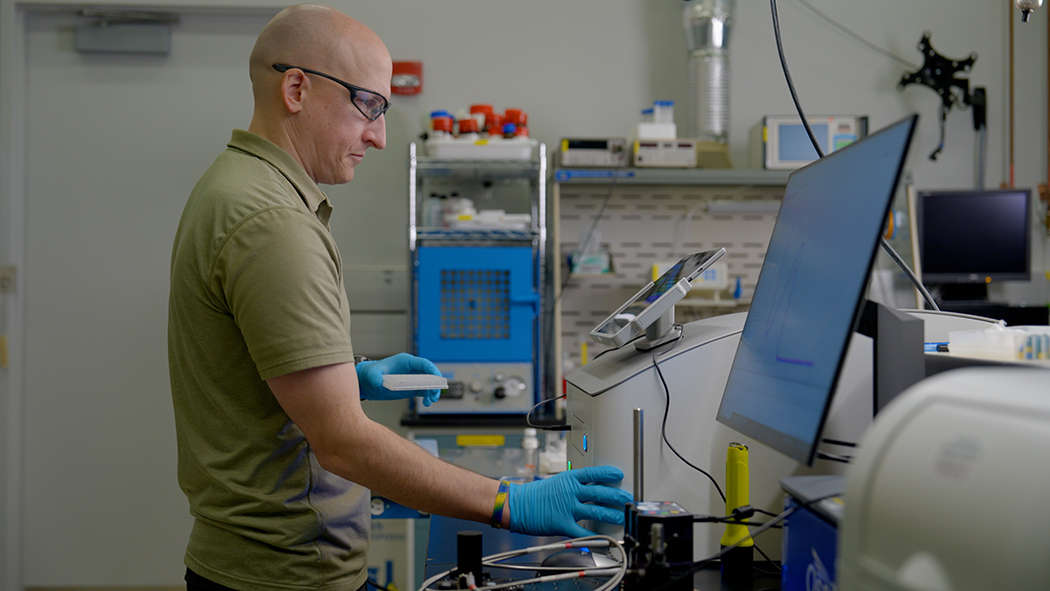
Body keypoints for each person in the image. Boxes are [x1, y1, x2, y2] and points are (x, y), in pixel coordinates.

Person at [167, 4, 633, 591]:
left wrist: (349, 377)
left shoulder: (232, 185)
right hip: (288, 574)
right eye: (370, 105)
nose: (380, 136)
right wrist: (509, 500)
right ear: (296, 88)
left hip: (250, 564)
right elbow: (343, 443)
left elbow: (242, 372)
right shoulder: (272, 222)